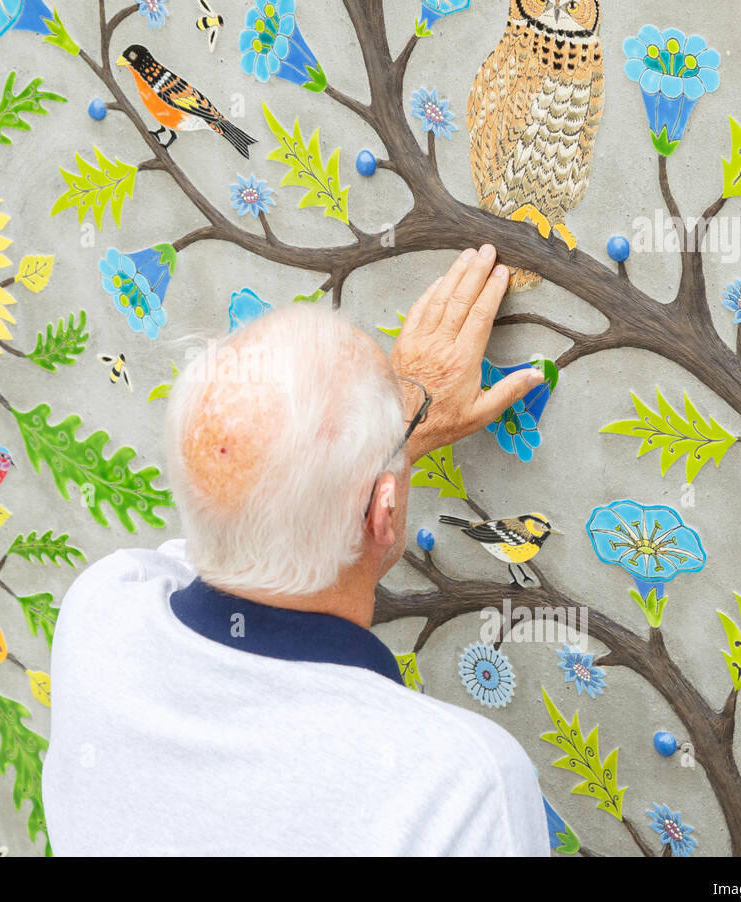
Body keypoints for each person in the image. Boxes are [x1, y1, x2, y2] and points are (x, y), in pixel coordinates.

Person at [43, 245, 550, 856]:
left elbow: (239, 529)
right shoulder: (462, 784)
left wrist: (382, 448)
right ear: (382, 513)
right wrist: (398, 426)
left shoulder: (101, 610)